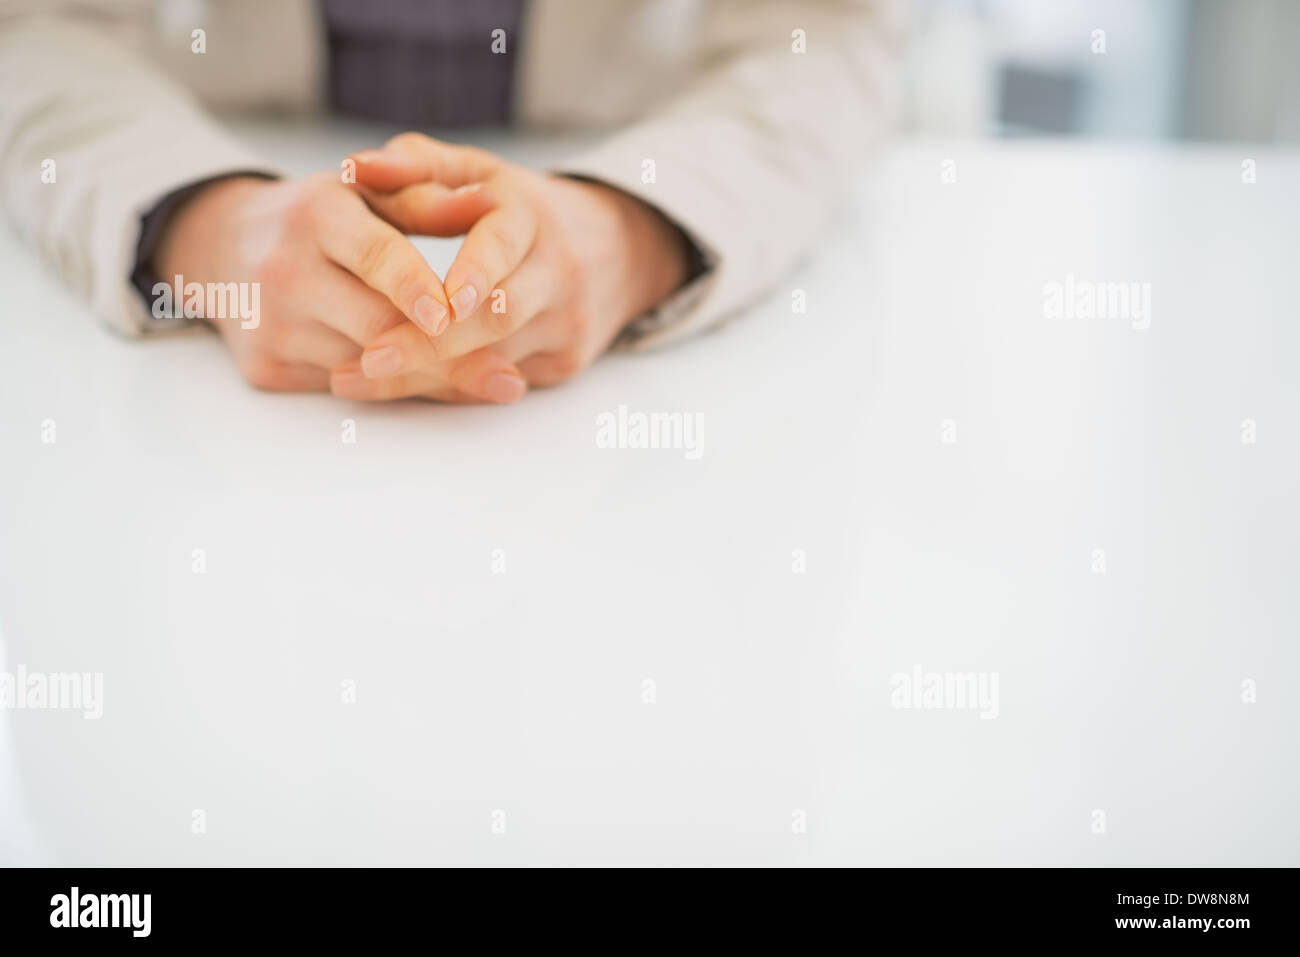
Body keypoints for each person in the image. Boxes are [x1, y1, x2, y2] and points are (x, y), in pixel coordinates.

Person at [0, 0, 900, 403]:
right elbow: (35, 26)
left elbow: (827, 29)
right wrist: (204, 224)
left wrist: (633, 226)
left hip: (643, 131)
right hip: (217, 122)